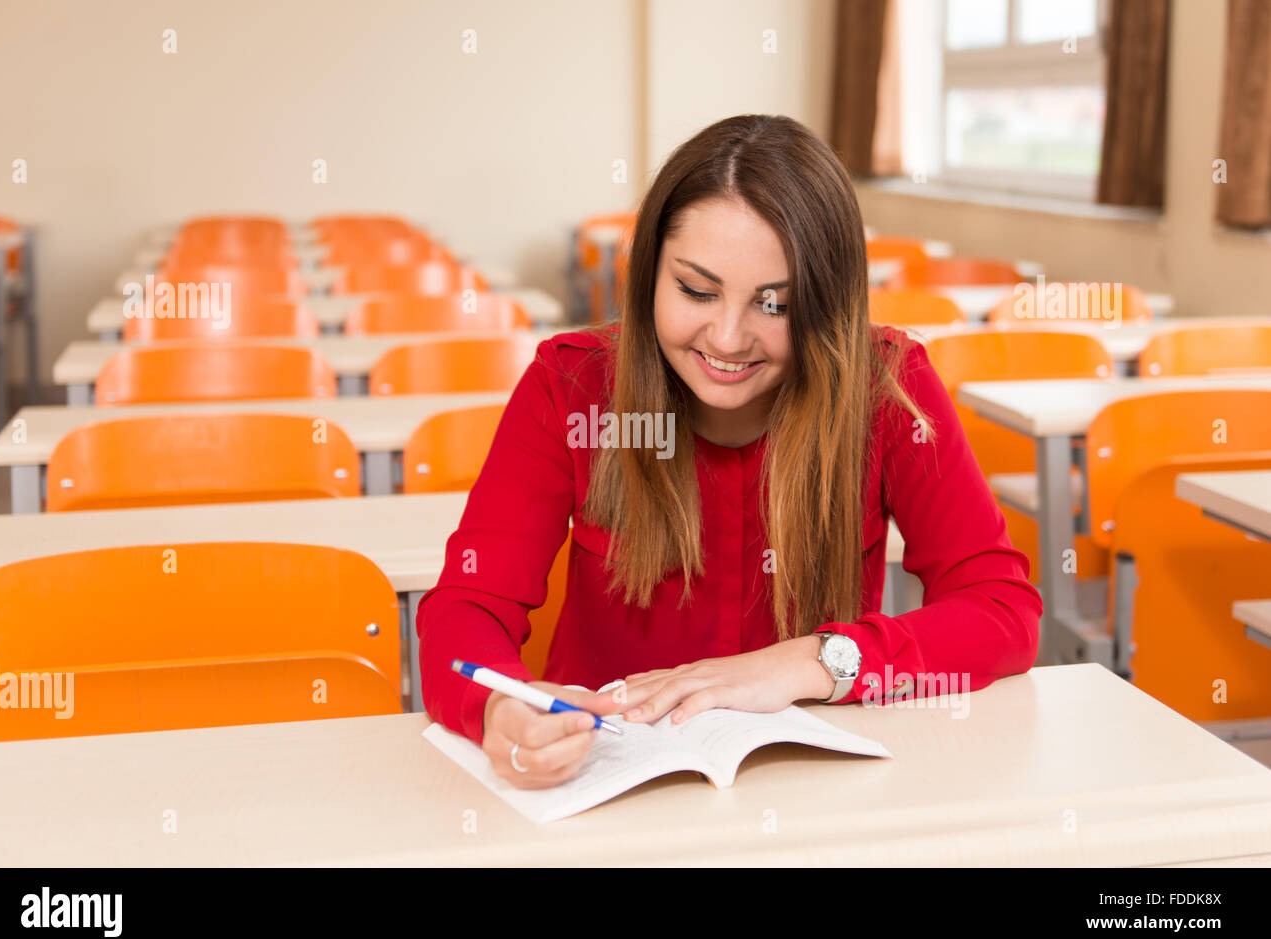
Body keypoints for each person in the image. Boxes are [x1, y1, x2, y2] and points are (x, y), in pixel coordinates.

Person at [417, 113, 1042, 790]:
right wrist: (500, 708)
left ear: (827, 305)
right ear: (650, 274)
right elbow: (466, 608)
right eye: (696, 289)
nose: (727, 336)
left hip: (809, 783)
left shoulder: (886, 388)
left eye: (774, 304)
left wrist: (811, 661)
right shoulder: (572, 388)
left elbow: (1001, 607)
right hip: (605, 786)